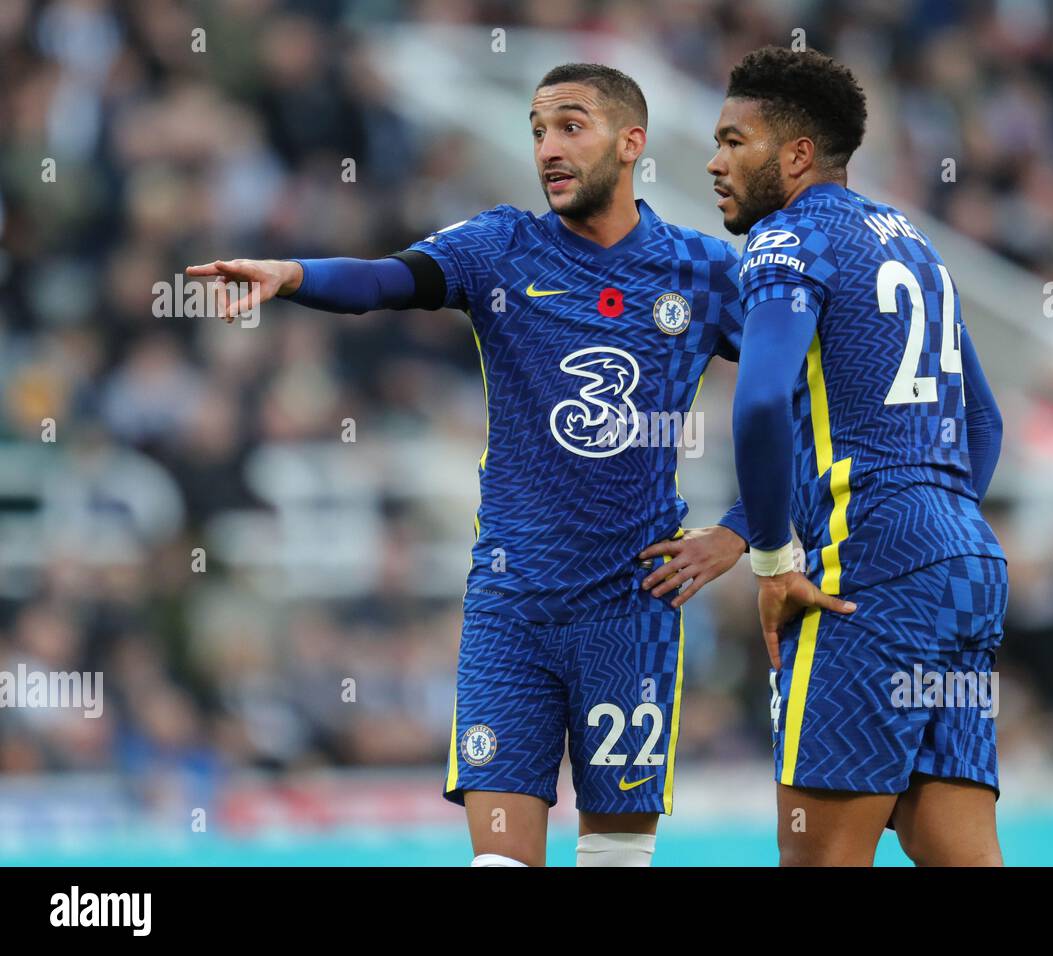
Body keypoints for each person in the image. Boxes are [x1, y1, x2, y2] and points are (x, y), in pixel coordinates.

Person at [187, 64, 751, 867]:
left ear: (633, 143)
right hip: (511, 606)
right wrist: (293, 276)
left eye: (570, 126)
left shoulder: (701, 271)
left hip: (632, 607)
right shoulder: (501, 246)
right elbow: (386, 281)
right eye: (535, 131)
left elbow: (801, 401)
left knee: (617, 861)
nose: (547, 148)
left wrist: (739, 534)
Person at [710, 47, 1007, 866]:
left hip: (865, 573)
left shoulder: (785, 238)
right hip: (965, 566)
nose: (714, 160)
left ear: (797, 155)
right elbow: (984, 421)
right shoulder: (913, 244)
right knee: (962, 854)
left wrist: (771, 559)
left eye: (736, 140)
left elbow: (762, 399)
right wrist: (936, 527)